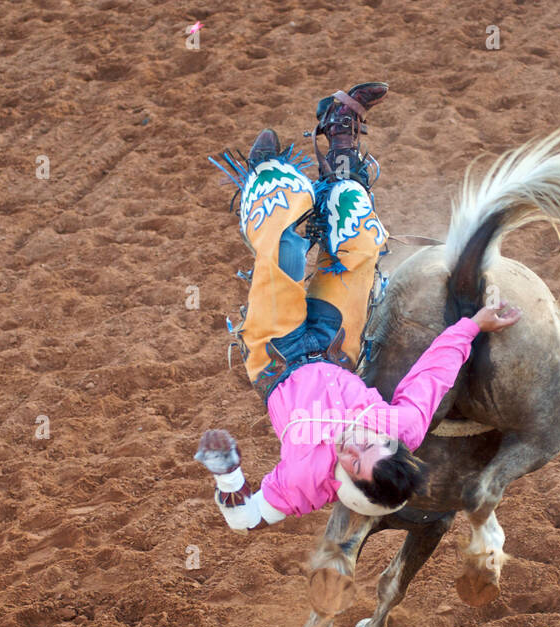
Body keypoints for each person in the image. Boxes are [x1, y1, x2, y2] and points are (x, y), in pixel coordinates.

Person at [197, 83, 520, 531]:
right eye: (370, 446)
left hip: (277, 355)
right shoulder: (401, 425)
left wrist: (227, 471)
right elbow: (433, 374)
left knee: (284, 247)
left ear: (346, 480)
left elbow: (246, 521)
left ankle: (266, 175)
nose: (352, 446)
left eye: (352, 461)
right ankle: (340, 132)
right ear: (393, 446)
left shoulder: (302, 483)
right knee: (361, 242)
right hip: (335, 347)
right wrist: (472, 326)